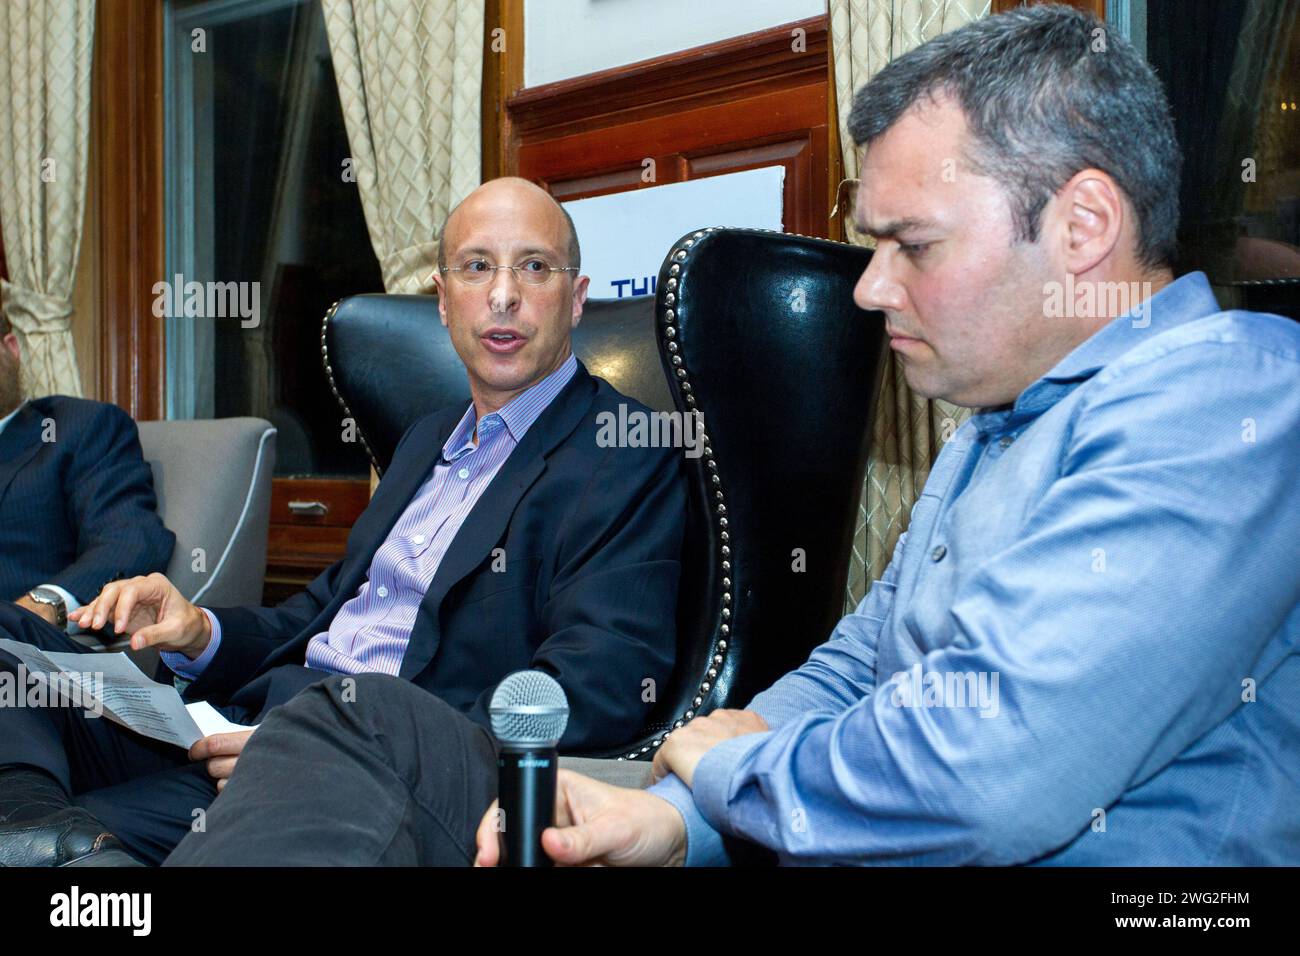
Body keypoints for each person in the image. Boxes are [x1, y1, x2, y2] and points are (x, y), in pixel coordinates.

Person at [168, 4, 1297, 868]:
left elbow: (987, 771)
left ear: (1084, 226)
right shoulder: (992, 427)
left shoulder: (1225, 407)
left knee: (350, 725)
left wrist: (732, 767)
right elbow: (855, 666)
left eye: (912, 243)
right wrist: (676, 816)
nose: (870, 289)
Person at [0, 176, 686, 866]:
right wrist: (200, 631)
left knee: (77, 848)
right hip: (242, 725)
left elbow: (600, 683)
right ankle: (34, 819)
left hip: (359, 764)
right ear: (444, 303)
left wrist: (328, 744)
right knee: (11, 649)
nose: (503, 294)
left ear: (574, 298)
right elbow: (322, 611)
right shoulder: (427, 439)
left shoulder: (623, 450)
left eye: (534, 267)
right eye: (477, 266)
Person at [0, 308, 174, 633]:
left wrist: (36, 612)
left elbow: (130, 540)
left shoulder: (79, 428)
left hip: (23, 658)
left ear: (11, 348)